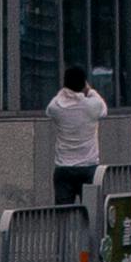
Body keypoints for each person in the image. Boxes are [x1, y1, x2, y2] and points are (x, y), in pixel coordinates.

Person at [43, 60, 108, 207]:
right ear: (84, 83)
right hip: (88, 168)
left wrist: (65, 91)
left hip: (64, 169)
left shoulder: (57, 107)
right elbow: (103, 108)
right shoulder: (92, 106)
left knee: (63, 215)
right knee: (91, 214)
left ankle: (62, 231)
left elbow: (50, 108)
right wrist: (89, 90)